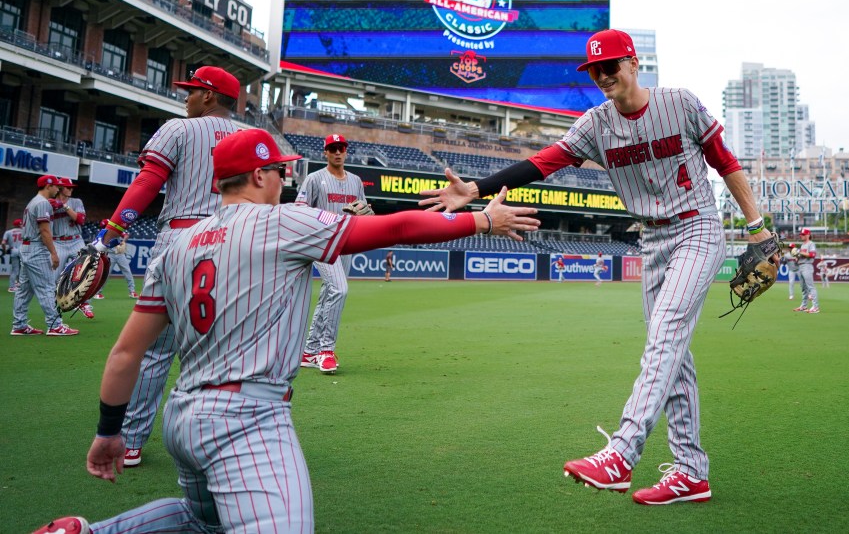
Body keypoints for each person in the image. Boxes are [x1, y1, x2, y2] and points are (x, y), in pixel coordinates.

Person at [32, 129, 539, 534]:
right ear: (257, 175)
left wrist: (107, 433)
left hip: (182, 414)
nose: (284, 179)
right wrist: (482, 221)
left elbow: (125, 354)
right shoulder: (285, 222)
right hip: (248, 418)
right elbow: (397, 228)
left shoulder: (175, 250)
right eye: (279, 170)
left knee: (201, 521)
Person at [419, 28, 776, 505]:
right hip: (651, 238)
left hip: (697, 227)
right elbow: (542, 163)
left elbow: (725, 162)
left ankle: (623, 453)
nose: (602, 76)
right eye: (594, 70)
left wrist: (758, 226)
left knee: (666, 333)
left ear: (632, 63)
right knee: (672, 353)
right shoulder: (595, 124)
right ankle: (691, 471)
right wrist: (477, 189)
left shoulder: (680, 103)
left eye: (610, 66)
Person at [98, 66, 242, 468]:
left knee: (155, 350)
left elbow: (147, 182)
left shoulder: (178, 128)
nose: (187, 98)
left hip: (180, 240)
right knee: (221, 351)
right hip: (234, 245)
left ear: (210, 96)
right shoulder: (251, 140)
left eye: (193, 91)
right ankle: (214, 440)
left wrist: (109, 233)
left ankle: (130, 441)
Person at [296, 133, 367, 375]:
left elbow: (364, 211)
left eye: (341, 148)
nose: (337, 152)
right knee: (340, 289)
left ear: (346, 151)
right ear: (325, 152)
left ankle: (309, 351)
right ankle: (326, 350)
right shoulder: (315, 179)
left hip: (345, 243)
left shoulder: (356, 181)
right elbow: (300, 211)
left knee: (329, 294)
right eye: (332, 148)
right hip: (322, 243)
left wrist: (363, 213)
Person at [10, 175, 78, 336]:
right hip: (36, 249)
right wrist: (54, 253)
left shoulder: (33, 201)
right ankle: (55, 325)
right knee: (47, 287)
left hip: (27, 248)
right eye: (55, 186)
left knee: (24, 290)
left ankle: (19, 324)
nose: (58, 189)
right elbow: (45, 231)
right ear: (48, 187)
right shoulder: (43, 203)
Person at [53, 177, 93, 317]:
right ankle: (54, 307)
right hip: (57, 242)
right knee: (54, 277)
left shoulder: (76, 202)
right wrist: (54, 205)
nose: (71, 190)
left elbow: (80, 220)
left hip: (76, 240)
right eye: (68, 187)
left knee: (83, 273)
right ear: (59, 188)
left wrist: (65, 206)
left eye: (71, 188)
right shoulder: (49, 203)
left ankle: (85, 303)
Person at [792, 228, 820, 313]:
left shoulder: (811, 244)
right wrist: (797, 257)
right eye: (801, 234)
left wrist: (799, 252)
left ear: (808, 235)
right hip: (801, 266)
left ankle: (815, 307)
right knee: (804, 288)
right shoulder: (802, 245)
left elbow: (812, 254)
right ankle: (804, 306)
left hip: (807, 266)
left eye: (803, 234)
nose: (801, 236)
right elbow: (801, 255)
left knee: (810, 287)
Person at [105, 227, 138, 299]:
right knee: (106, 274)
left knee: (127, 271)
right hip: (110, 254)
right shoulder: (104, 233)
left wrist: (123, 241)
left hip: (120, 254)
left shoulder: (116, 231)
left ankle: (132, 291)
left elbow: (126, 235)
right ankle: (97, 293)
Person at [2, 218, 23, 292]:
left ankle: (12, 286)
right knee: (22, 269)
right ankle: (18, 283)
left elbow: (3, 243)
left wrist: (4, 250)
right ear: (20, 224)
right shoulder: (24, 231)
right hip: (22, 251)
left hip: (13, 250)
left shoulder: (8, 232)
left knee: (15, 270)